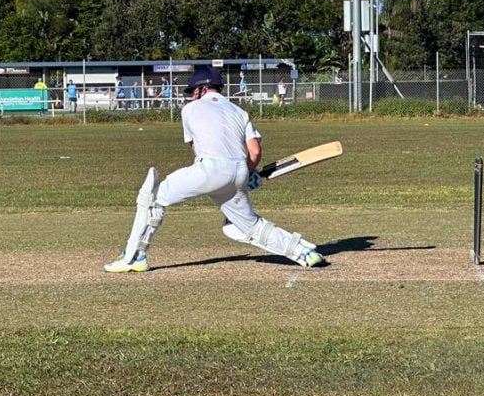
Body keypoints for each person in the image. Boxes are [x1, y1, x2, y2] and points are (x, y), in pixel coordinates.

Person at [103, 66, 327, 273]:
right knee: (249, 226)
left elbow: (196, 150)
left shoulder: (189, 109)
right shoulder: (239, 111)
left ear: (201, 89)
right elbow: (255, 151)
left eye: (193, 91)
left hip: (209, 168)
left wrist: (226, 175)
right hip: (238, 170)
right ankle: (304, 252)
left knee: (153, 198)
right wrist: (247, 174)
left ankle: (134, 257)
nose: (191, 96)